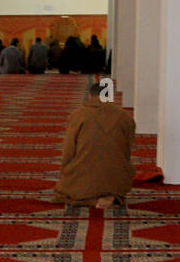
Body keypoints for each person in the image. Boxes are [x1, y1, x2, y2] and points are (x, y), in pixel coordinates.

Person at [54, 78, 135, 208]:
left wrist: (65, 173)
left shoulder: (78, 115)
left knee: (62, 194)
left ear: (90, 96)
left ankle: (92, 201)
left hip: (84, 176)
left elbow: (69, 150)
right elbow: (127, 149)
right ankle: (112, 195)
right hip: (116, 177)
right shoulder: (125, 117)